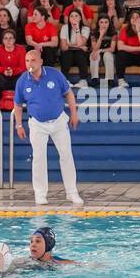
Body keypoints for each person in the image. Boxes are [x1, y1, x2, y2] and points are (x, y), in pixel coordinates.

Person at [13, 49, 82, 206]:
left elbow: (69, 93)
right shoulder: (23, 81)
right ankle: (40, 193)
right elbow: (17, 104)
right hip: (37, 124)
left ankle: (72, 192)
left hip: (58, 121)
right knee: (38, 158)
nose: (30, 64)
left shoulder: (54, 74)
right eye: (27, 61)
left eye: (33, 60)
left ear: (41, 61)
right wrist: (18, 125)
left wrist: (74, 114)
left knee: (66, 155)